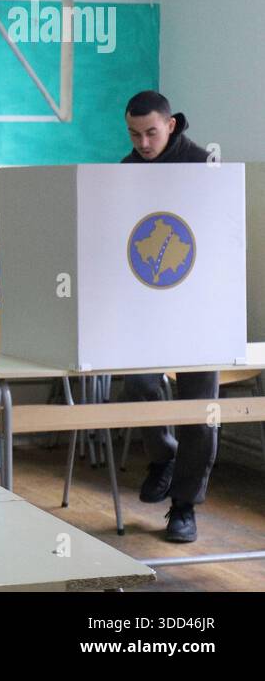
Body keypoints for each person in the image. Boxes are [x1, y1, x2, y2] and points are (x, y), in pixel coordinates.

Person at [118, 90, 214, 542]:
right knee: (138, 385)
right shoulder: (126, 170)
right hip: (147, 309)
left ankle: (184, 507)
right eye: (134, 133)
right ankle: (163, 455)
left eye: (150, 132)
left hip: (203, 308)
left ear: (171, 124)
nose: (142, 142)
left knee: (200, 410)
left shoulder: (204, 166)